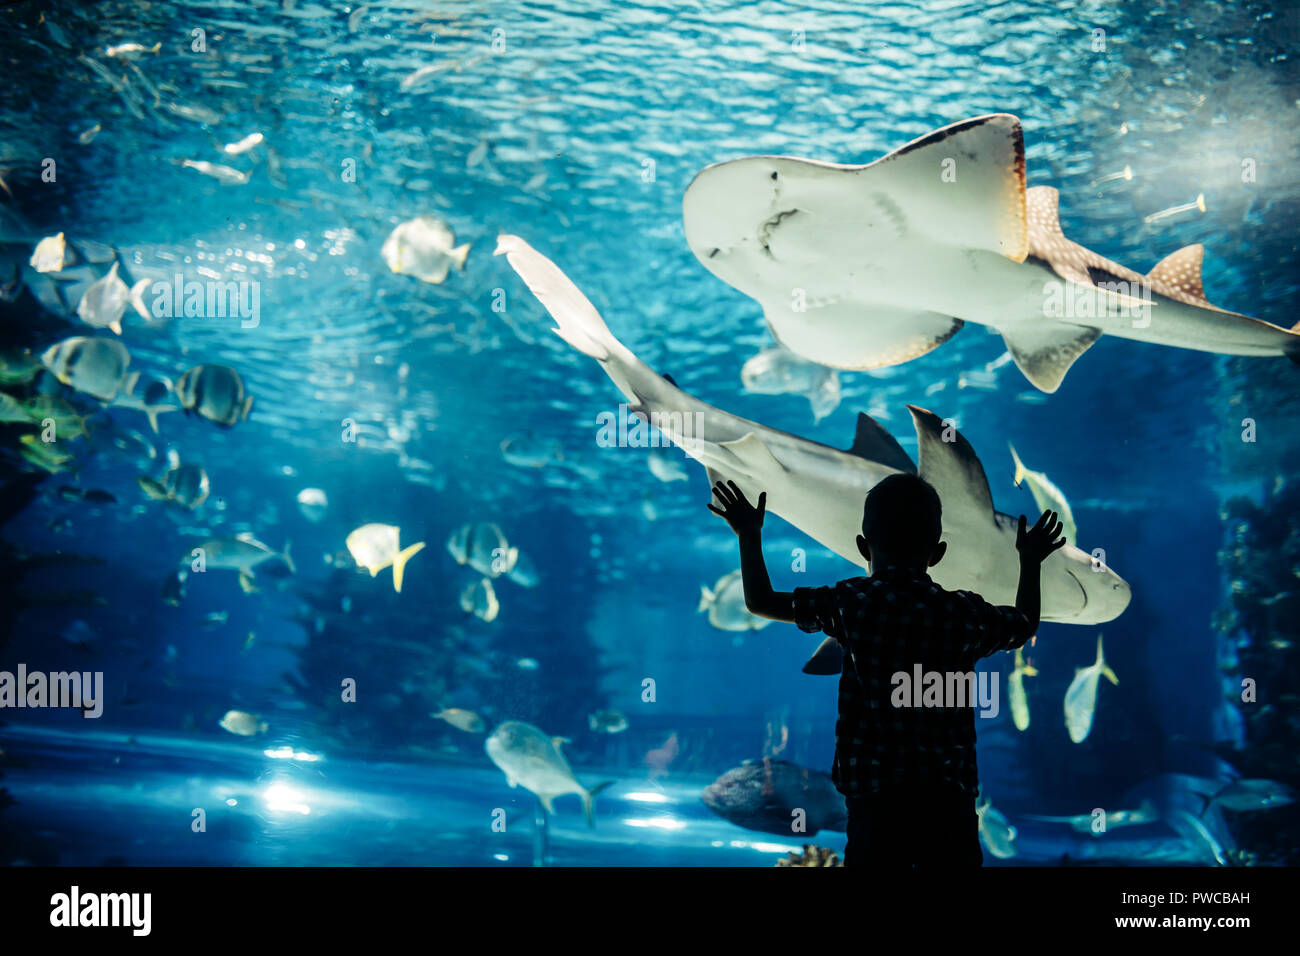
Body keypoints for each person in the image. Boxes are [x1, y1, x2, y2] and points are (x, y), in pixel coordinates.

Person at [707, 473, 1066, 867]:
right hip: (947, 799)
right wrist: (1030, 560)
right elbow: (1023, 624)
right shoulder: (964, 613)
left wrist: (748, 533)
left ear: (863, 546)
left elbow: (761, 601)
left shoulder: (851, 603)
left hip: (874, 799)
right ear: (939, 552)